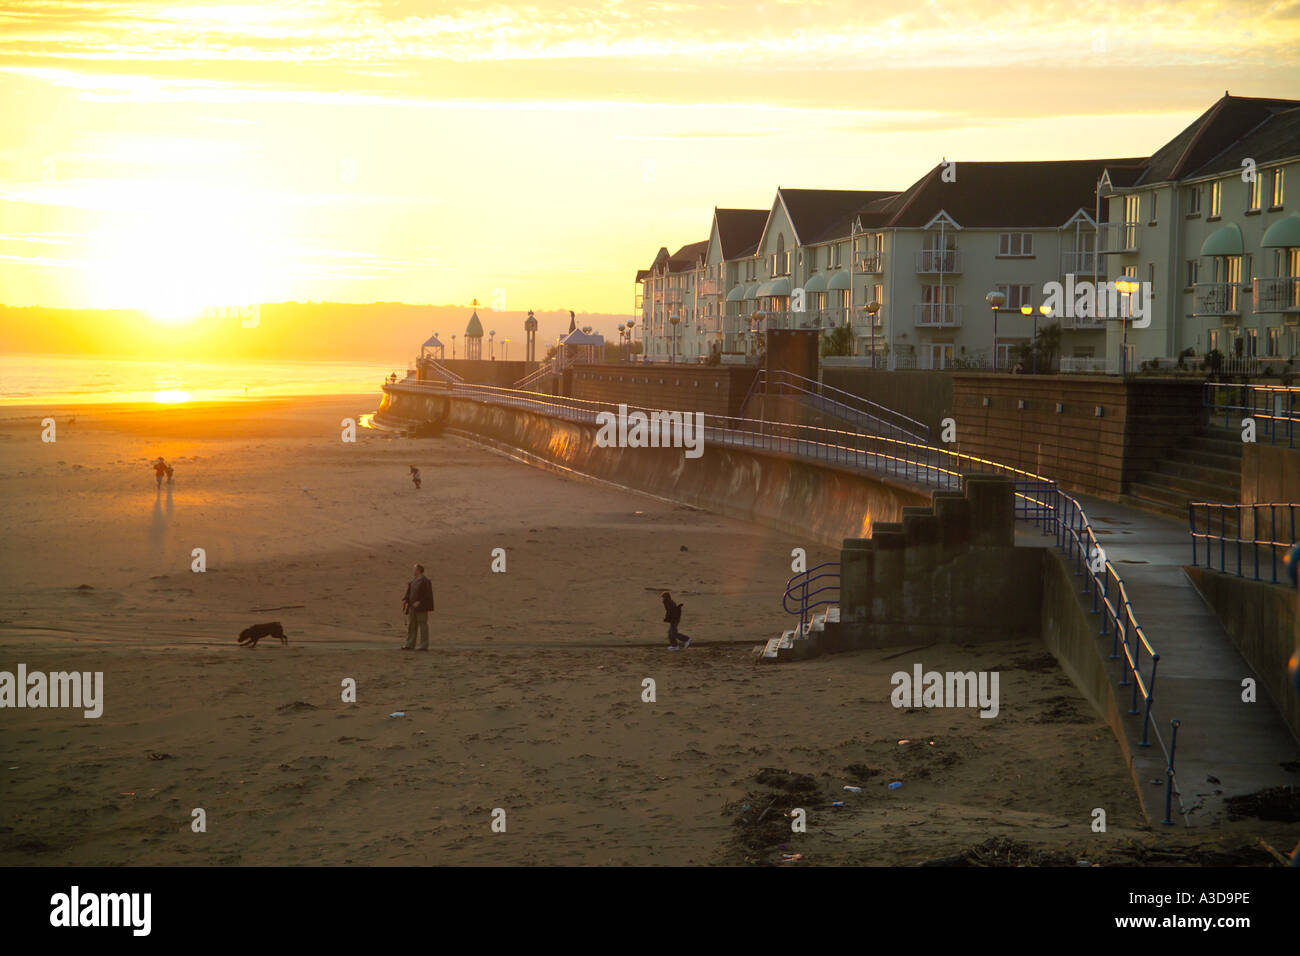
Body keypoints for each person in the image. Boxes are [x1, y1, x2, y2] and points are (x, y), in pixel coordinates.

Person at [401, 563, 434, 651]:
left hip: (422, 607)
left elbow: (427, 594)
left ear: (419, 570)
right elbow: (409, 592)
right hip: (412, 606)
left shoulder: (425, 581)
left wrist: (419, 602)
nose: (413, 570)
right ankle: (410, 644)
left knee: (423, 625)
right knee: (412, 625)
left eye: (414, 569)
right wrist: (405, 600)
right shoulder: (413, 581)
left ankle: (423, 646)